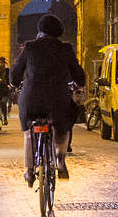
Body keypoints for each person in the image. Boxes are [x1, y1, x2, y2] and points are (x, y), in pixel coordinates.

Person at [11, 15, 85, 185]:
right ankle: (60, 157)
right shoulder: (66, 49)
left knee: (29, 132)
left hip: (32, 100)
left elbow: (15, 73)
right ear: (59, 32)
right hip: (58, 100)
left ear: (40, 30)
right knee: (63, 125)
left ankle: (29, 170)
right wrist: (80, 84)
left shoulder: (29, 47)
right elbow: (78, 74)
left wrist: (14, 82)